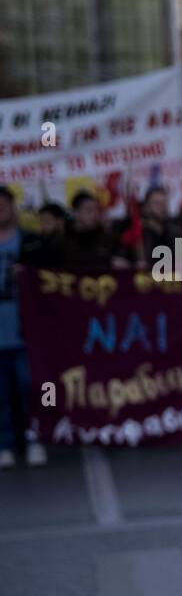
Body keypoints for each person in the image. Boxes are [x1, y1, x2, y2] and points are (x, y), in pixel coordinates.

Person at [0, 187, 46, 469]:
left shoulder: (30, 241)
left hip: (24, 331)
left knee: (30, 387)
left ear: (13, 208)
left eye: (4, 205)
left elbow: (50, 276)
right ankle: (4, 444)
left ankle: (34, 438)